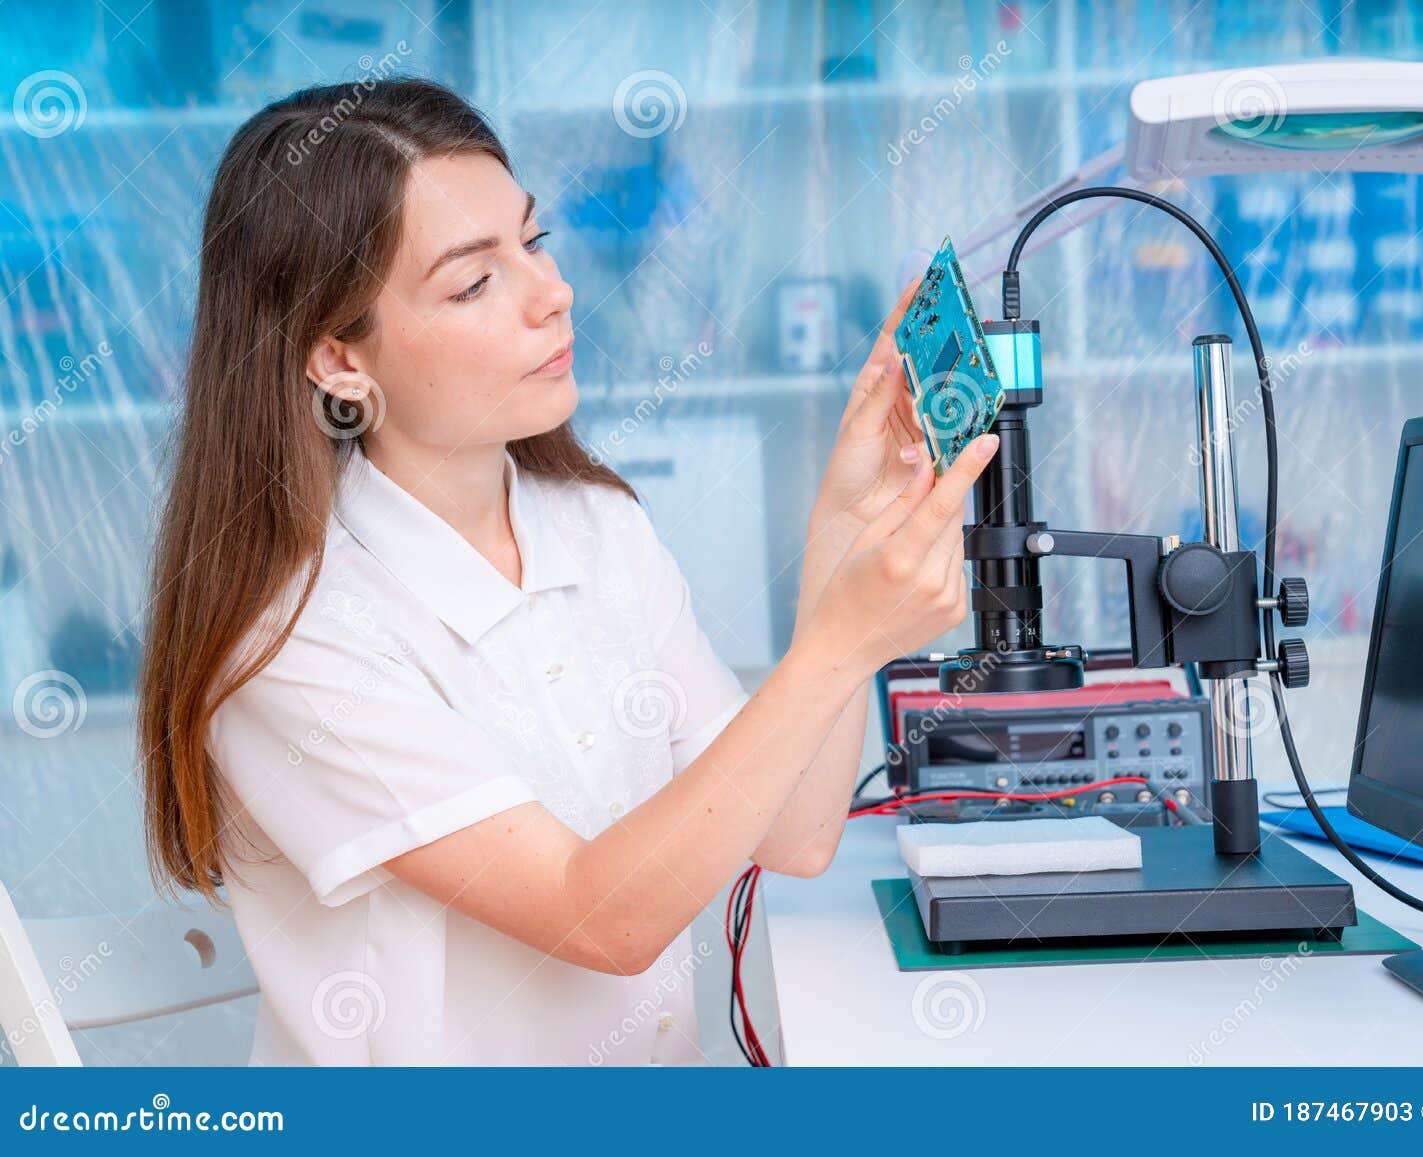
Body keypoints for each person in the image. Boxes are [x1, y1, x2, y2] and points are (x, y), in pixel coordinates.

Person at [137, 78, 996, 1065]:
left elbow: (795, 831)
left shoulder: (594, 528)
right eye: (473, 282)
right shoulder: (294, 641)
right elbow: (603, 921)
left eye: (532, 243)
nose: (553, 292)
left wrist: (849, 527)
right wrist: (844, 641)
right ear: (338, 360)